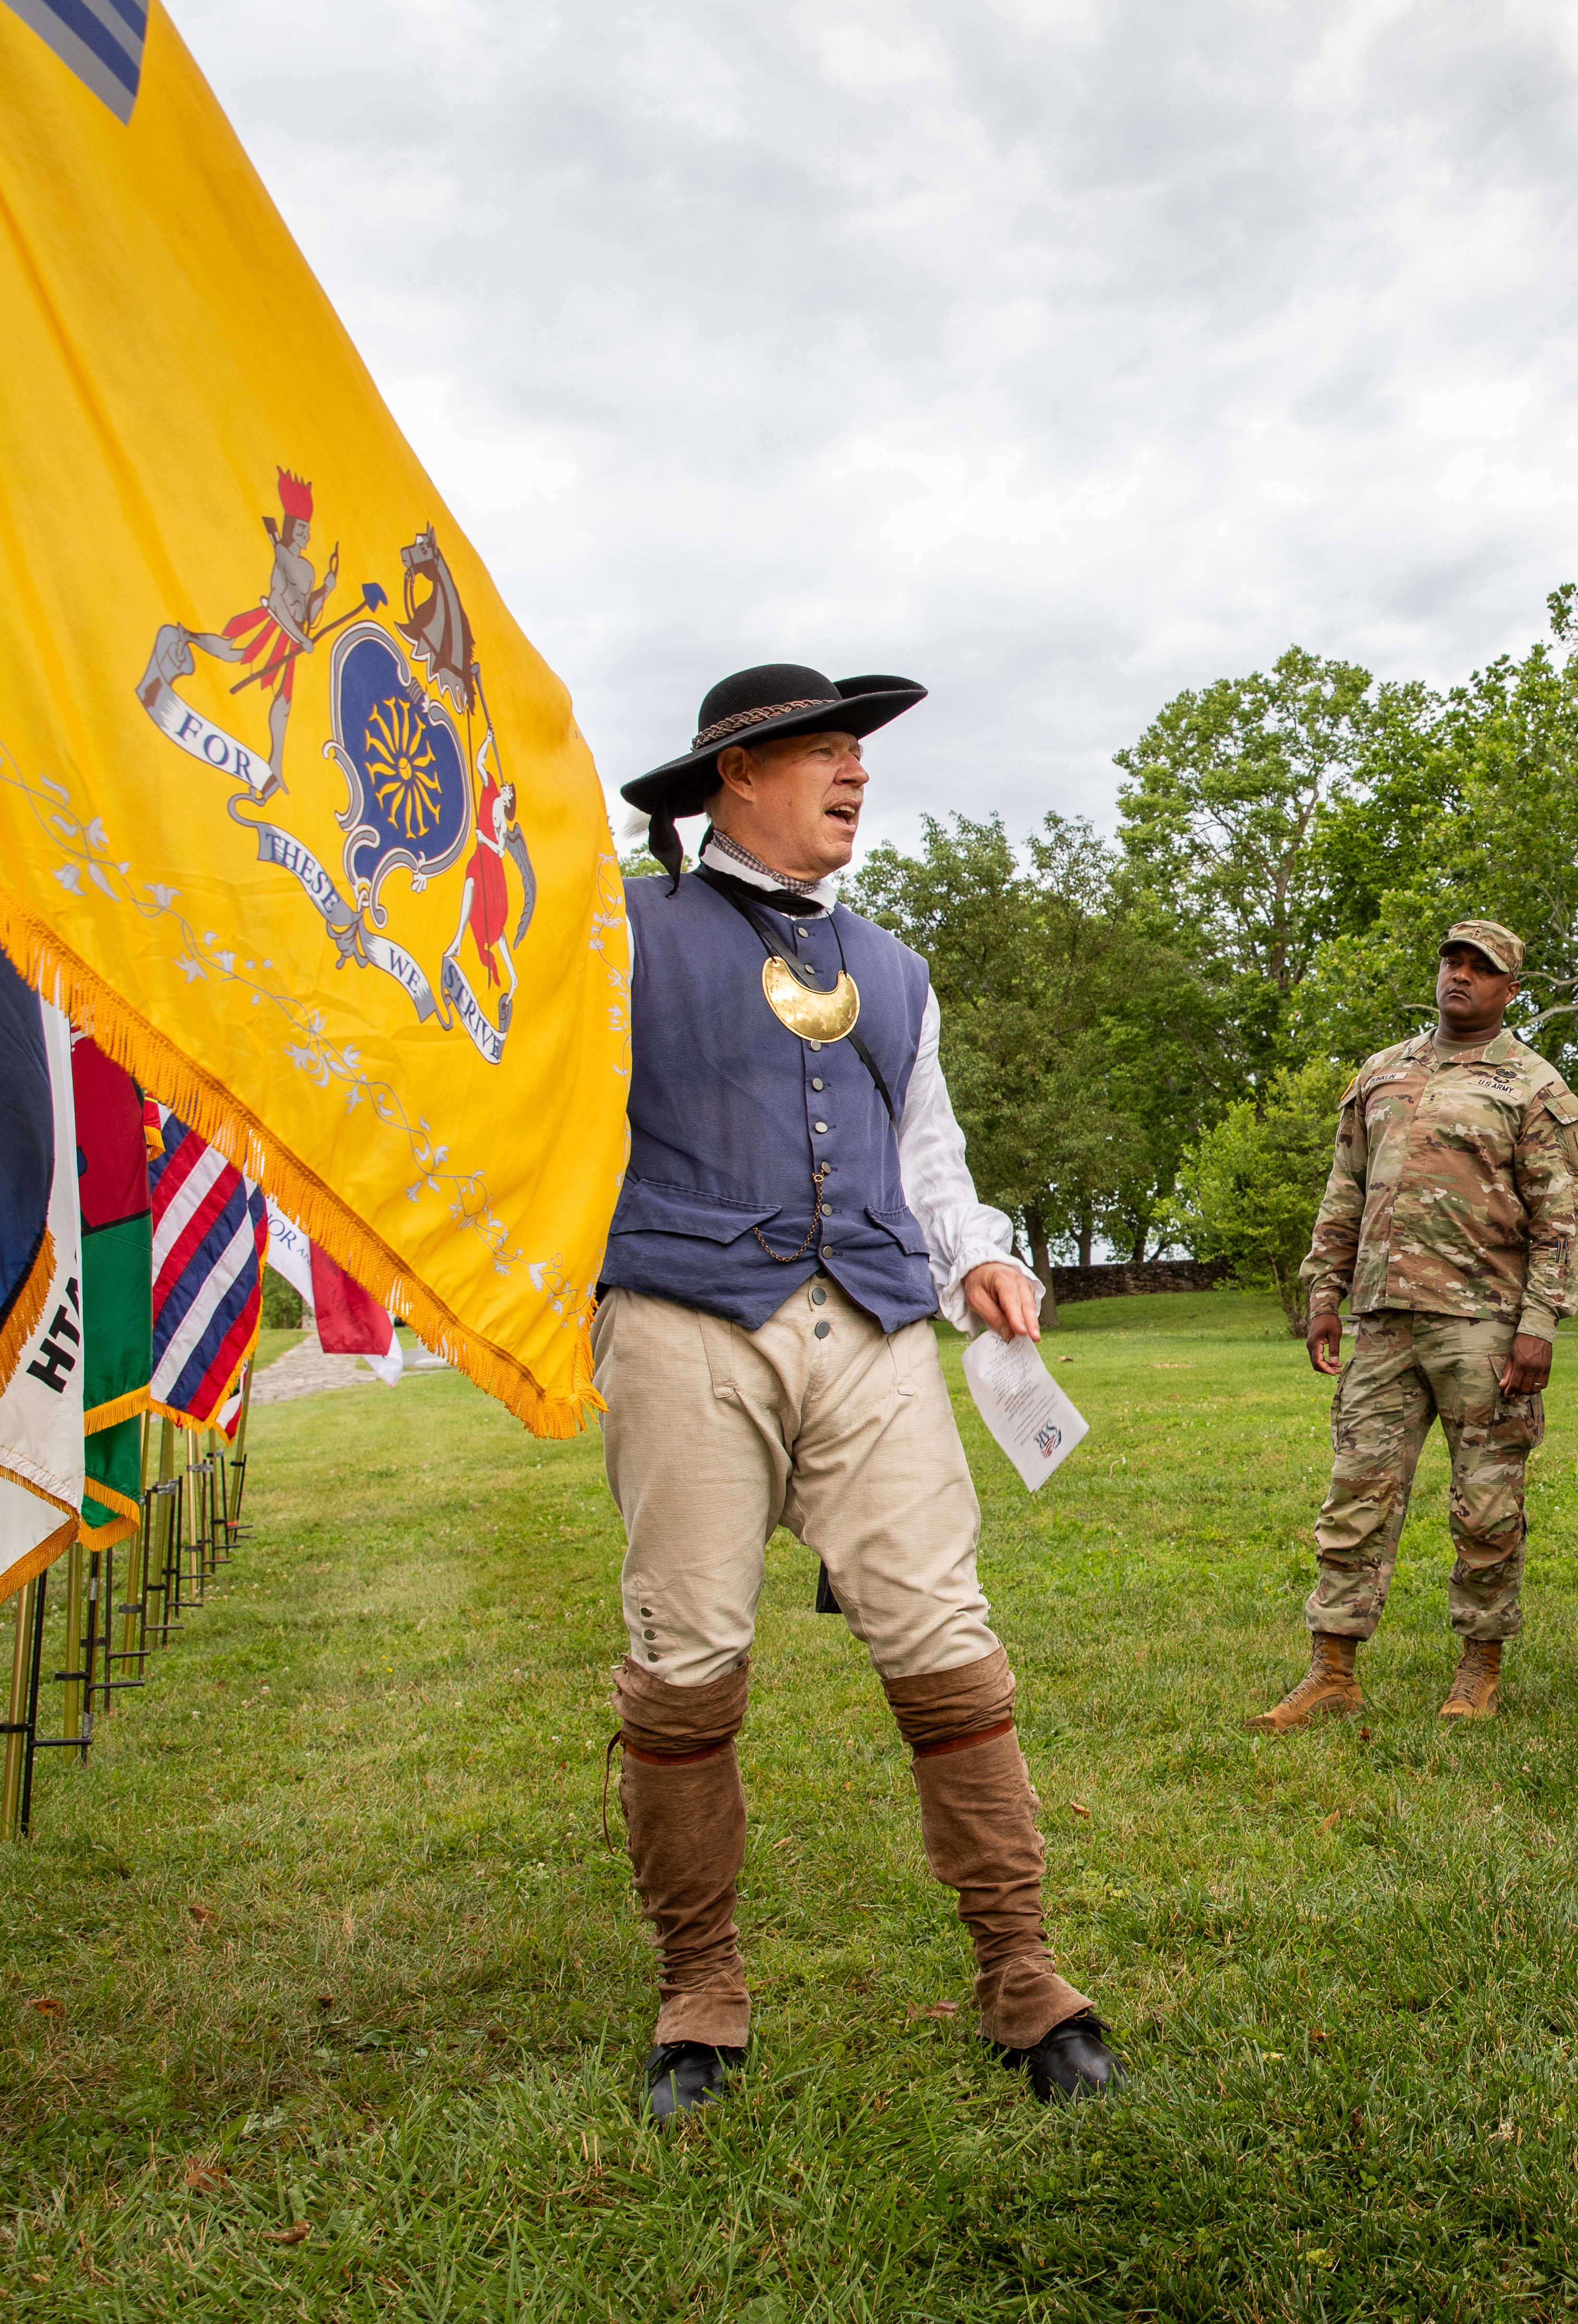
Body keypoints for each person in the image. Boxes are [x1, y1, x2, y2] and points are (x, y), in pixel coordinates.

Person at [599, 663, 1117, 2122]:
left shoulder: (896, 967)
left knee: (949, 1644)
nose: (857, 774)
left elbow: (928, 1157)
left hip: (879, 1324)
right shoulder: (617, 934)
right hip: (683, 1314)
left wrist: (982, 1258)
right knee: (687, 1663)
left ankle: (1023, 1975)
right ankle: (699, 1989)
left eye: (859, 753)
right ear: (736, 775)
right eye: (826, 751)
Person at [1249, 921, 1578, 1731]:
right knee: (1355, 1496)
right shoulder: (1382, 1074)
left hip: (1485, 1325)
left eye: (1482, 969)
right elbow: (1345, 1191)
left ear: (1511, 990)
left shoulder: (1534, 1088)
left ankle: (1479, 1667)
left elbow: (1559, 1220)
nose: (1460, 977)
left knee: (1487, 1506)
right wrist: (1325, 1294)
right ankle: (1333, 1670)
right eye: (1452, 963)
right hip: (1384, 1322)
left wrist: (1540, 1324)